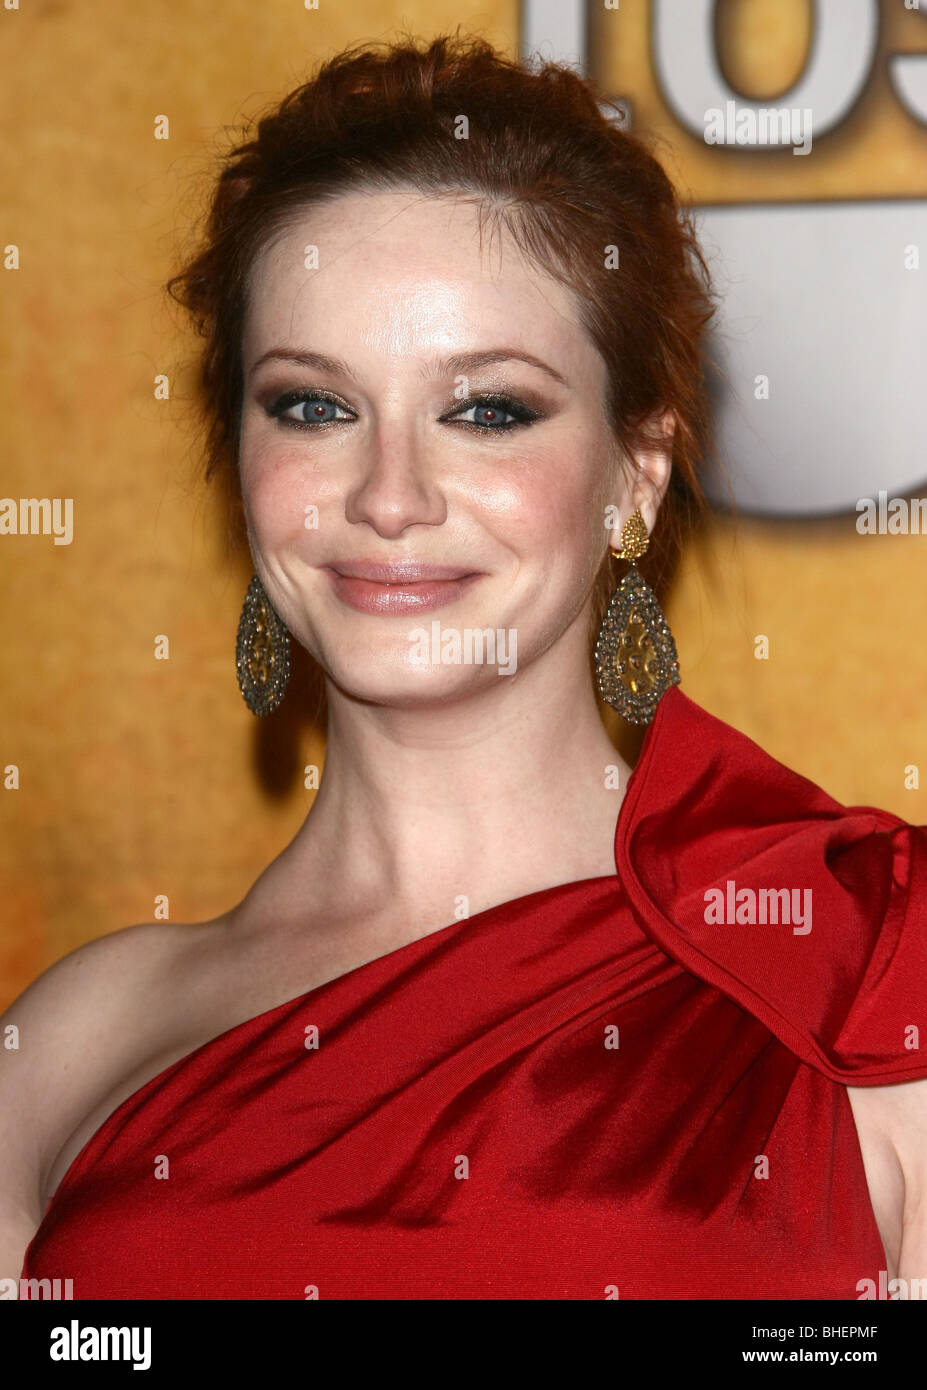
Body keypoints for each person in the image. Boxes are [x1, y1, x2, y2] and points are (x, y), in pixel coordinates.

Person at [3, 33, 925, 1300]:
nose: (389, 496)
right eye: (312, 406)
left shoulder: (869, 966)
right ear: (240, 465)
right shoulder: (60, 1047)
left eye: (487, 409)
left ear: (633, 480)